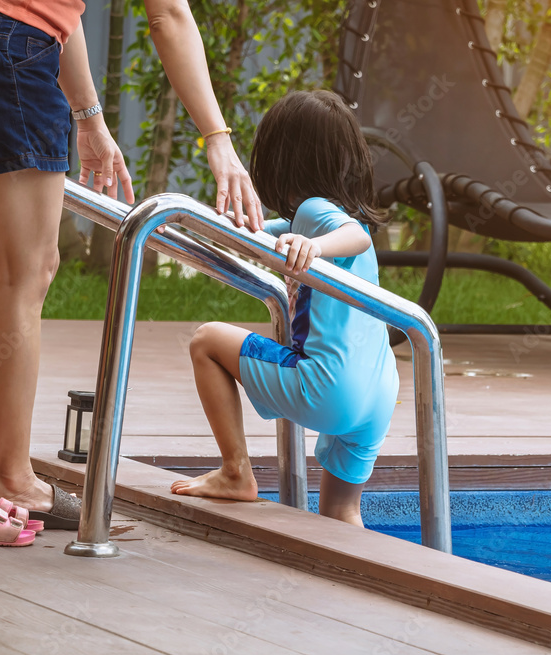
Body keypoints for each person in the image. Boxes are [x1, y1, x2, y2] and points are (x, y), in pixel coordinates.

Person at [0, 0, 264, 533]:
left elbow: (57, 12)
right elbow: (168, 15)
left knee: (12, 272)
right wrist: (218, 140)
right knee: (24, 273)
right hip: (7, 53)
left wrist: (89, 117)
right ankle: (8, 478)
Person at [170, 90, 399, 528]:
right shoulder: (318, 216)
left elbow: (356, 237)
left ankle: (236, 472)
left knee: (206, 342)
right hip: (377, 389)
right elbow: (252, 234)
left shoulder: (318, 215)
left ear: (279, 157)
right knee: (342, 513)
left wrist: (314, 246)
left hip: (329, 384)